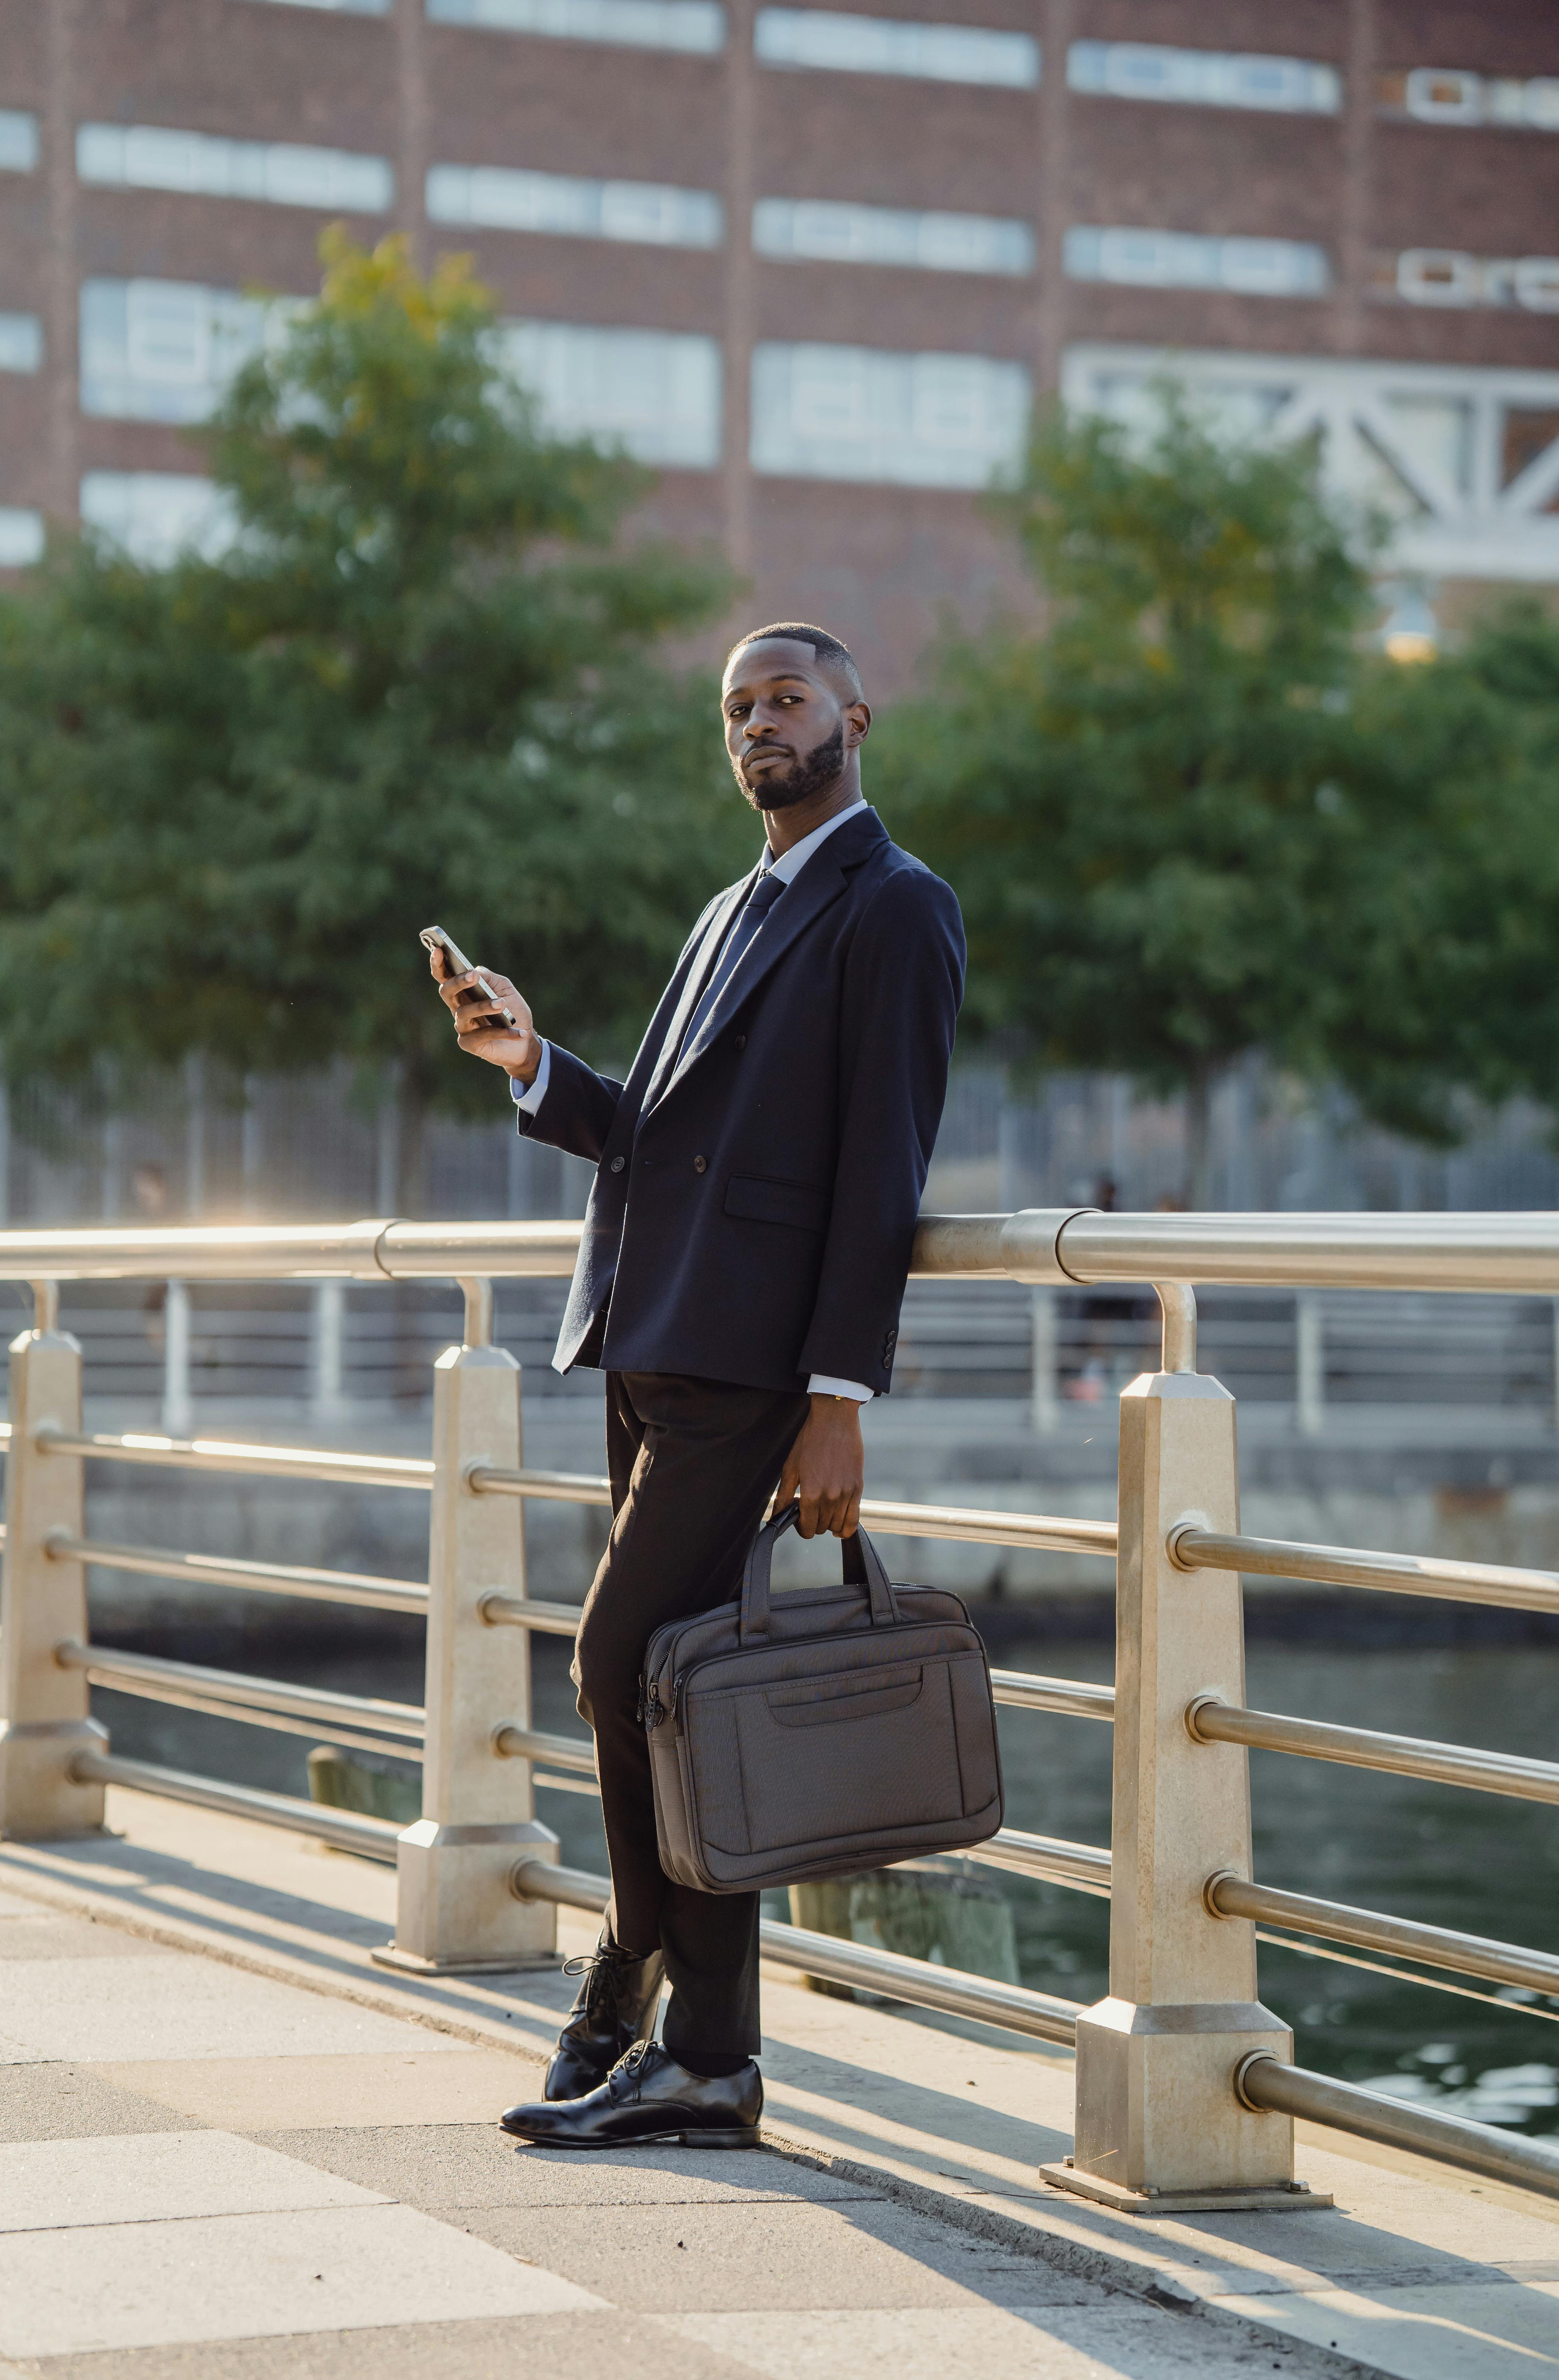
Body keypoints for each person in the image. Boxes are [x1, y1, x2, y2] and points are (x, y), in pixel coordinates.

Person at [431, 622, 966, 2149]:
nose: (756, 727)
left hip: (750, 1372)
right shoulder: (731, 909)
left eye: (784, 700)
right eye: (736, 709)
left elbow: (884, 1169)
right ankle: (671, 2031)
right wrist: (534, 1062)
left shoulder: (899, 908)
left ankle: (665, 2004)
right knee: (663, 1689)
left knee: (626, 1673)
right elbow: (651, 1135)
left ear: (856, 716)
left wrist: (840, 1392)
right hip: (647, 1342)